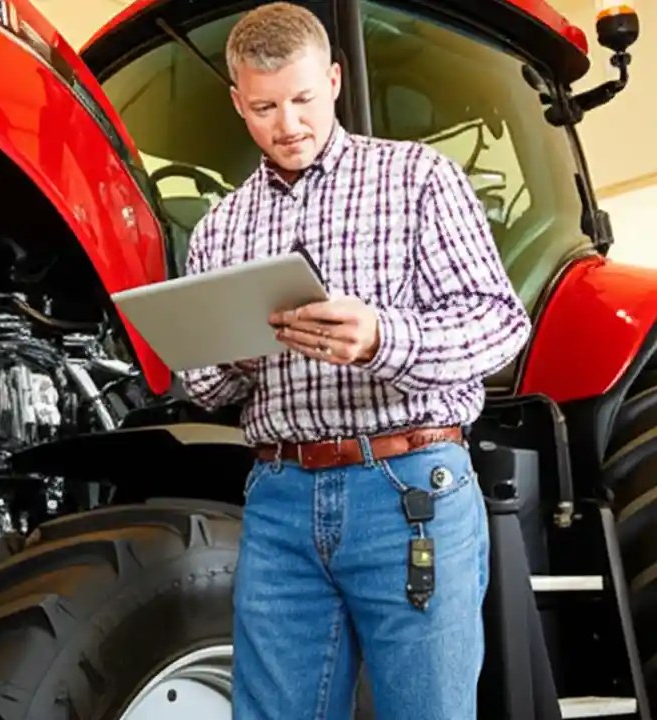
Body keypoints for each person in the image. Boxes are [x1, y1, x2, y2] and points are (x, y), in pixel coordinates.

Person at [179, 3, 533, 719]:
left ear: (335, 80)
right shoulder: (219, 226)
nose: (289, 124)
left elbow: (500, 323)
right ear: (237, 102)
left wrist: (382, 339)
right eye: (264, 107)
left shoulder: (419, 179)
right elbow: (202, 384)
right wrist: (242, 353)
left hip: (408, 493)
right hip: (278, 500)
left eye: (305, 98)